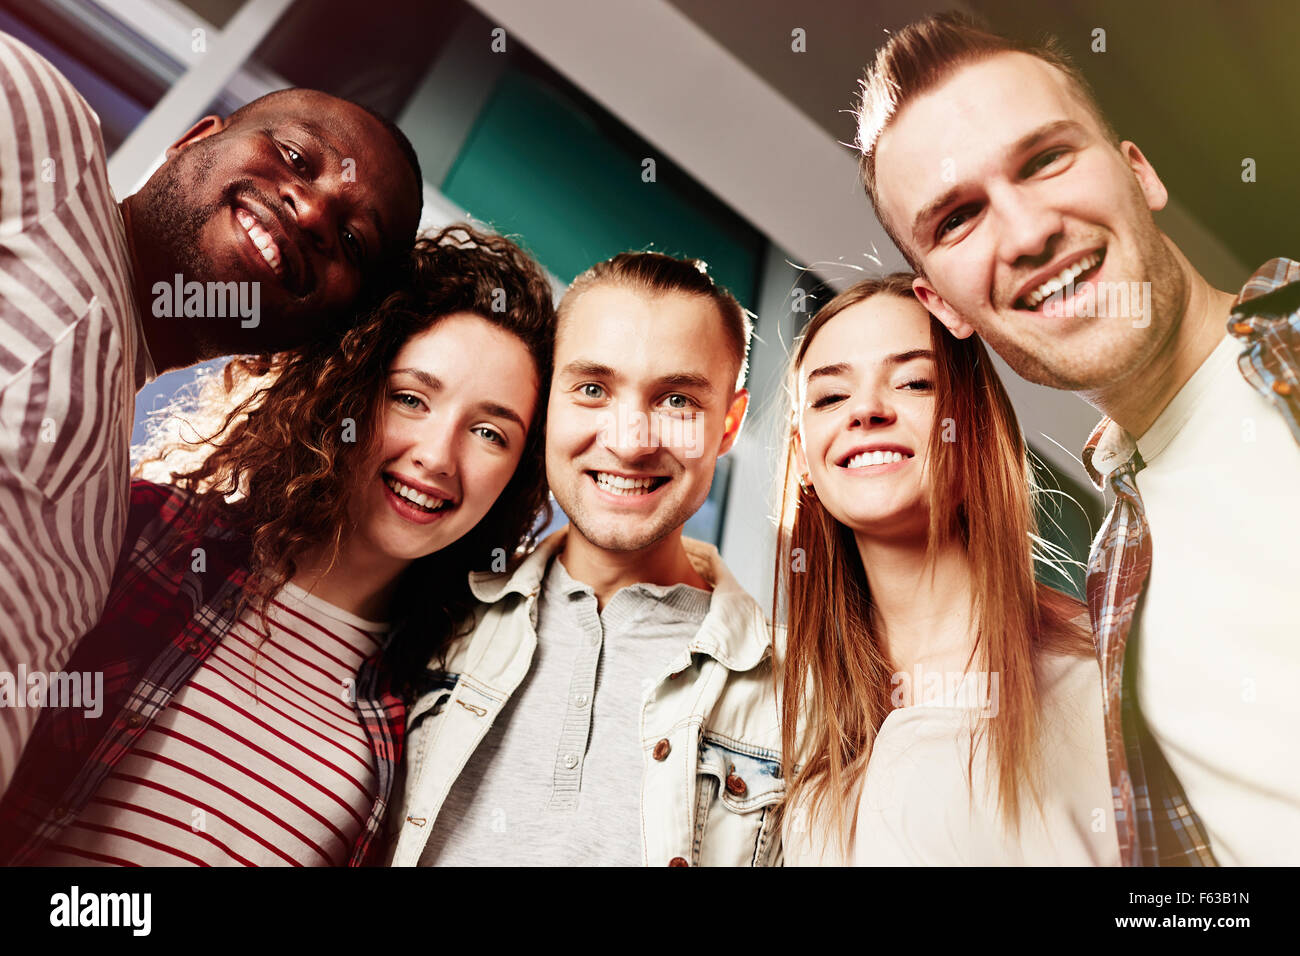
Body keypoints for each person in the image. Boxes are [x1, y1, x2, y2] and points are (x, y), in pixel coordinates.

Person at [854, 12, 1300, 865]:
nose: (1027, 234)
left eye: (1046, 159)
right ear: (941, 304)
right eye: (957, 218)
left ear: (1141, 172)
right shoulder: (1115, 572)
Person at [0, 224, 555, 866]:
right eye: (409, 398)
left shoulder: (436, 703)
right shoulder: (144, 537)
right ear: (347, 389)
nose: (436, 456)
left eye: (490, 432)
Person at [0, 29, 425, 794]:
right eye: (298, 158)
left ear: (312, 336)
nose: (315, 210)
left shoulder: (102, 542)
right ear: (192, 140)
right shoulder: (35, 129)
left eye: (353, 244)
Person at [388, 252, 784, 867]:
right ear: (548, 400)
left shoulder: (799, 698)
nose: (629, 441)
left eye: (678, 401)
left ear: (728, 426)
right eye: (593, 389)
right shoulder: (431, 614)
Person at [776, 275, 1117, 866]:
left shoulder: (1104, 678)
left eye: (913, 383)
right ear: (802, 456)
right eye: (830, 397)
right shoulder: (801, 734)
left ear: (974, 426)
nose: (866, 411)